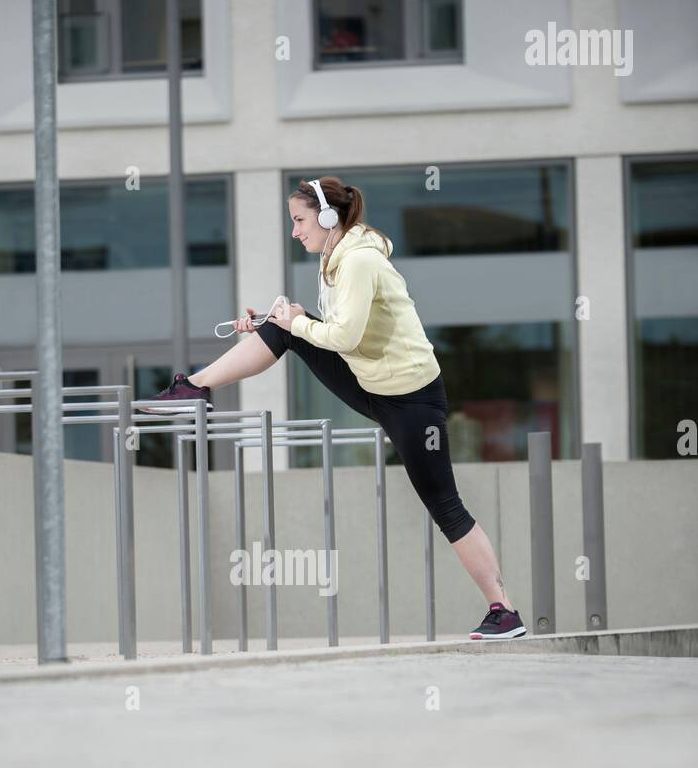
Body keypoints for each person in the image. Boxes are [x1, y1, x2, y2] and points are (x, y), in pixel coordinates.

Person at [153, 175, 526, 640]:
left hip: (412, 401)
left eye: (299, 220)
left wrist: (294, 322)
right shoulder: (335, 257)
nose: (294, 231)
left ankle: (504, 612)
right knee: (285, 326)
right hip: (370, 380)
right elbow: (334, 331)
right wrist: (275, 322)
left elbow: (345, 336)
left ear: (328, 217)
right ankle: (194, 388)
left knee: (445, 506)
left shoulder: (360, 261)